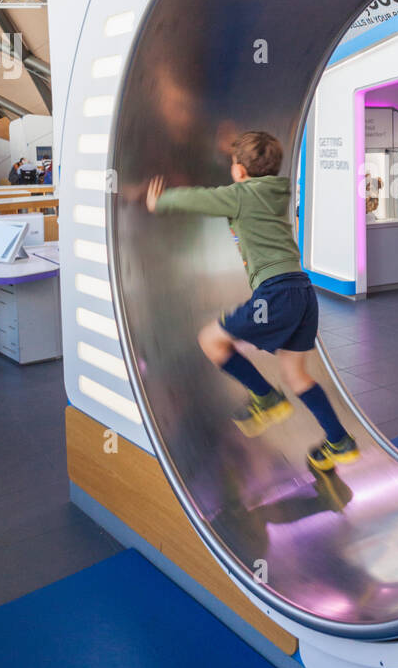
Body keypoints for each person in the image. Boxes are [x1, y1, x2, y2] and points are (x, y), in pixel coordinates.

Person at [145, 130, 359, 475]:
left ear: (240, 172)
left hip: (275, 295)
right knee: (296, 373)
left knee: (210, 340)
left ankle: (266, 398)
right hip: (303, 293)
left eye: (233, 163)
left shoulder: (241, 194)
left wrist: (161, 202)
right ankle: (339, 440)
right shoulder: (277, 192)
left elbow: (201, 199)